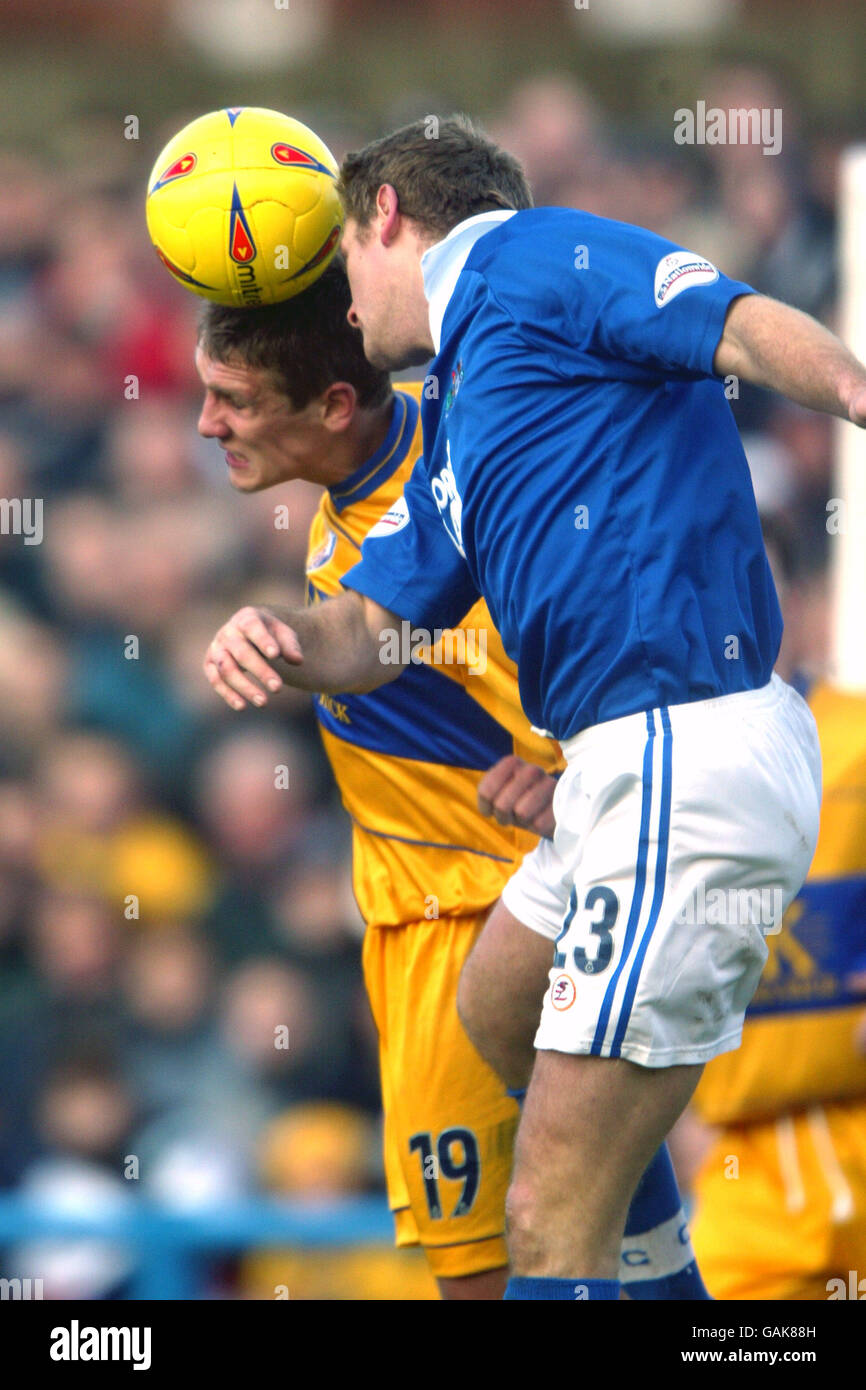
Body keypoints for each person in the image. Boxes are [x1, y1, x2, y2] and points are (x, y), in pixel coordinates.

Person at [208, 114, 866, 1301]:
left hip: (683, 745)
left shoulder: (528, 256)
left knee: (545, 1220)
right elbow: (366, 628)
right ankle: (667, 1285)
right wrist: (277, 636)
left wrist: (853, 391)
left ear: (390, 217)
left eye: (348, 268)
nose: (346, 314)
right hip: (627, 775)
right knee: (496, 999)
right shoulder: (464, 410)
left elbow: (733, 322)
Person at [201, 262, 711, 1300]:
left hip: (480, 918)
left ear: (336, 405)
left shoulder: (463, 485)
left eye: (233, 401)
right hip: (434, 915)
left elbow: (593, 623)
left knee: (493, 1271)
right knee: (633, 1249)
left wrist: (564, 769)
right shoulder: (365, 480)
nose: (205, 423)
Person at [675, 517, 866, 1300]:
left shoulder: (859, 739)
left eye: (755, 588)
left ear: (797, 602)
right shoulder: (656, 780)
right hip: (743, 1174)